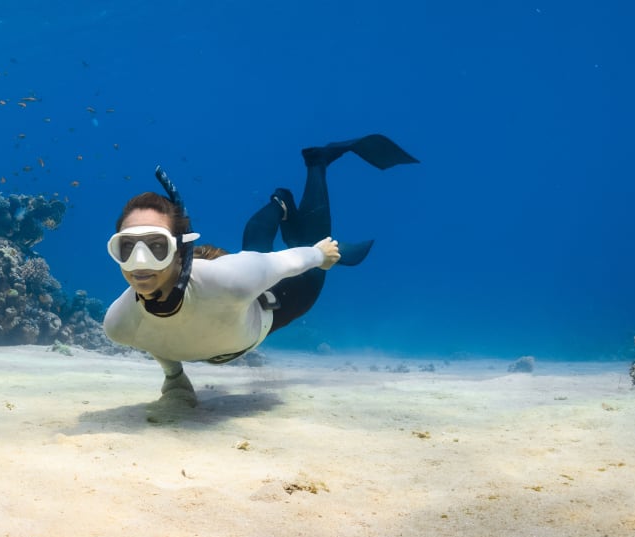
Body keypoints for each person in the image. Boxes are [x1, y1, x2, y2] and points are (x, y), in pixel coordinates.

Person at [103, 134, 418, 410]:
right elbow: (152, 337)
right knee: (252, 249)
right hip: (235, 291)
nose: (140, 263)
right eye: (127, 248)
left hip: (271, 304)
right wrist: (175, 379)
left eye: (157, 247)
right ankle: (280, 203)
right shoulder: (120, 324)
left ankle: (316, 164)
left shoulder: (231, 281)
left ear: (180, 249)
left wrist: (321, 253)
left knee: (291, 248)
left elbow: (286, 262)